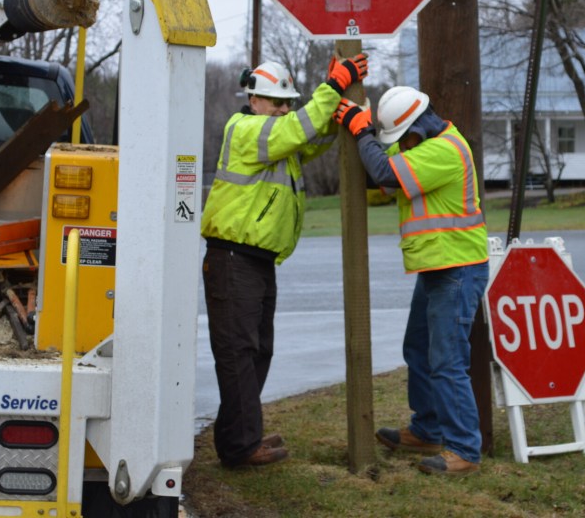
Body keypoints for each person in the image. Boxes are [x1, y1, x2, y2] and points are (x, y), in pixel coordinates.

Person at [201, 56, 368, 467]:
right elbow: (298, 129)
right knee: (239, 353)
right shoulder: (246, 130)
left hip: (253, 260)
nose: (283, 108)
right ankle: (241, 446)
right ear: (253, 98)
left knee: (257, 352)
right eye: (275, 101)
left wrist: (344, 112)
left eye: (286, 102)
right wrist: (332, 86)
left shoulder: (276, 137)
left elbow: (312, 136)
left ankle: (242, 435)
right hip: (234, 258)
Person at [334, 85, 489, 476]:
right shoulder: (423, 146)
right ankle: (428, 429)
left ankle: (464, 450)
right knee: (418, 349)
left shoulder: (444, 151)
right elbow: (380, 174)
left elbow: (384, 170)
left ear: (420, 126)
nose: (401, 147)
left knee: (447, 362)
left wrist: (361, 132)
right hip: (440, 267)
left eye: (403, 139)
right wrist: (362, 127)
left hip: (457, 268)